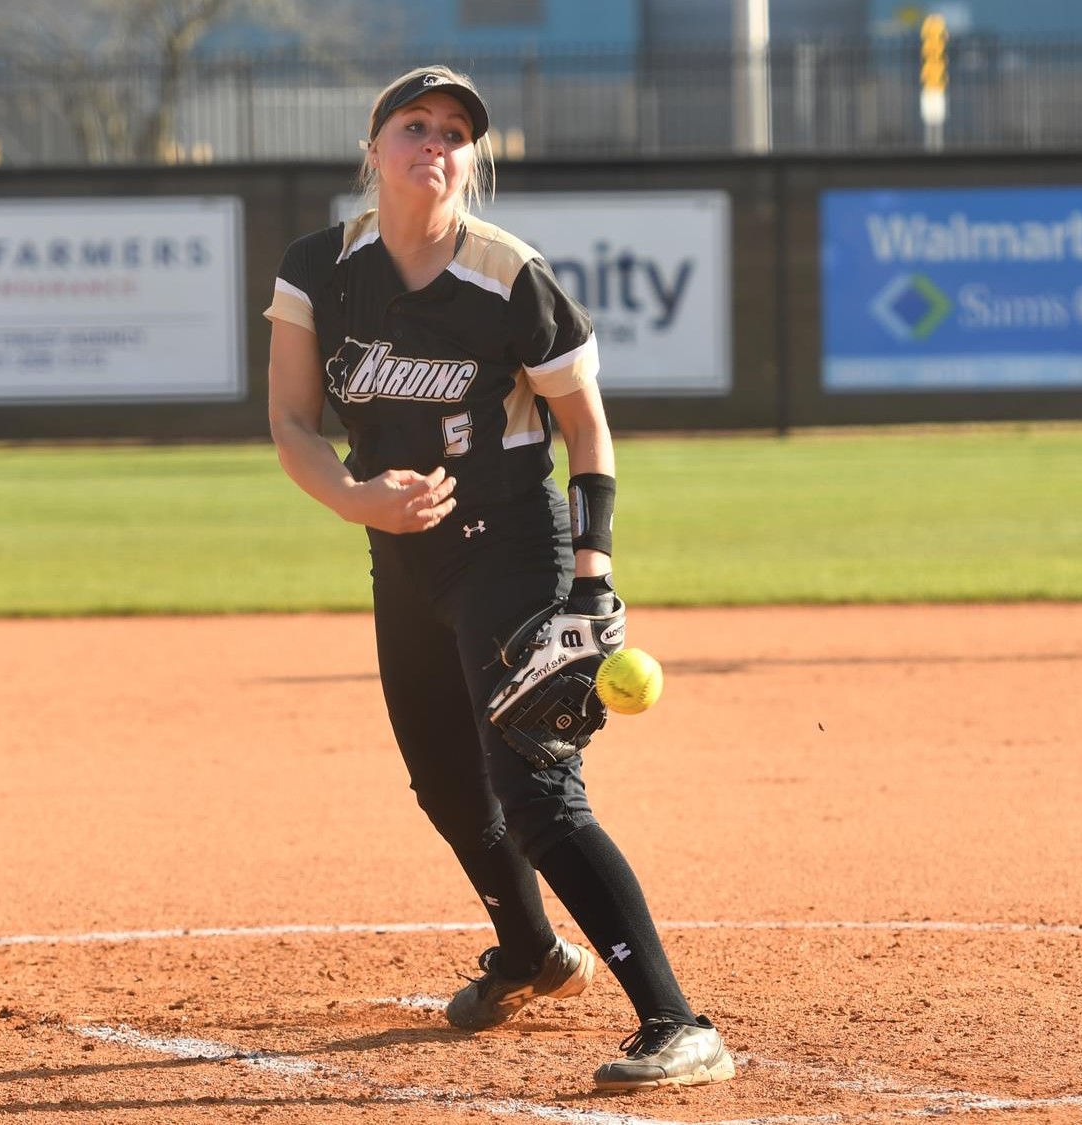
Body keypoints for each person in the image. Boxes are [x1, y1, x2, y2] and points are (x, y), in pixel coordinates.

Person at [262, 65, 734, 1092]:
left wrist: (591, 576)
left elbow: (585, 425)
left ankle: (676, 1020)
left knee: (536, 793)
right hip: (401, 558)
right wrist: (353, 501)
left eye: (454, 133)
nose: (434, 143)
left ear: (469, 161)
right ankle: (529, 954)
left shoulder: (506, 275)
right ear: (374, 145)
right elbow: (293, 424)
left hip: (510, 552)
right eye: (413, 124)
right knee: (441, 782)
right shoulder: (317, 270)